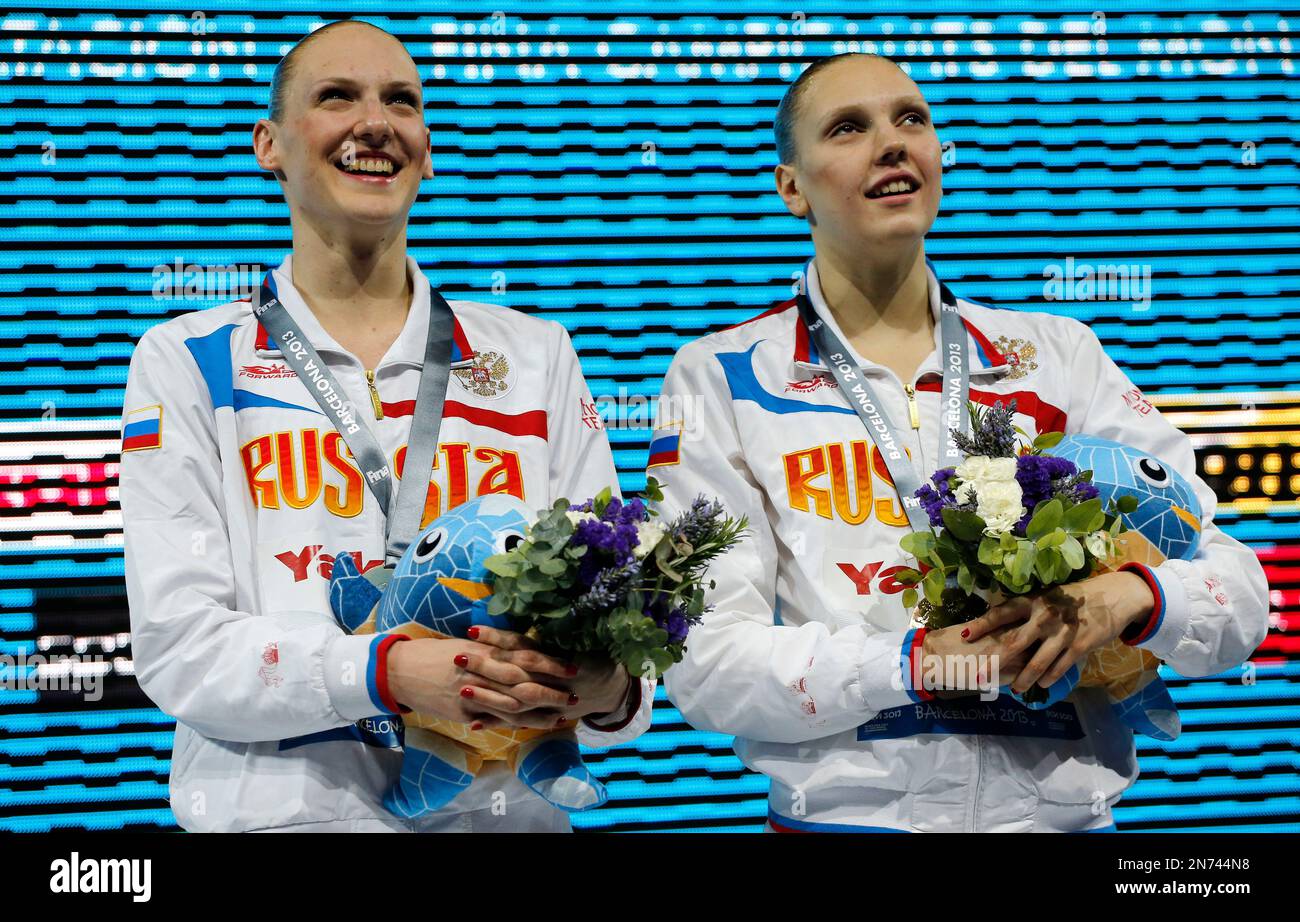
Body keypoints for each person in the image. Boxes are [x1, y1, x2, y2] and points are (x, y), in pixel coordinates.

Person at [653, 53, 1269, 832]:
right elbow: (707, 663)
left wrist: (1135, 597)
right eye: (849, 128)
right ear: (792, 188)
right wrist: (915, 665)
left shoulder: (1056, 354)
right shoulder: (722, 377)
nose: (892, 143)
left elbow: (1238, 593)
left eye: (912, 118)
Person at [119, 19, 653, 833]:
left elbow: (617, 604)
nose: (376, 122)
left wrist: (608, 685)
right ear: (268, 144)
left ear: (428, 149)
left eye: (401, 101)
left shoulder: (535, 355)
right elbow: (180, 646)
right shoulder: (188, 358)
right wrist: (384, 672)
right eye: (338, 96)